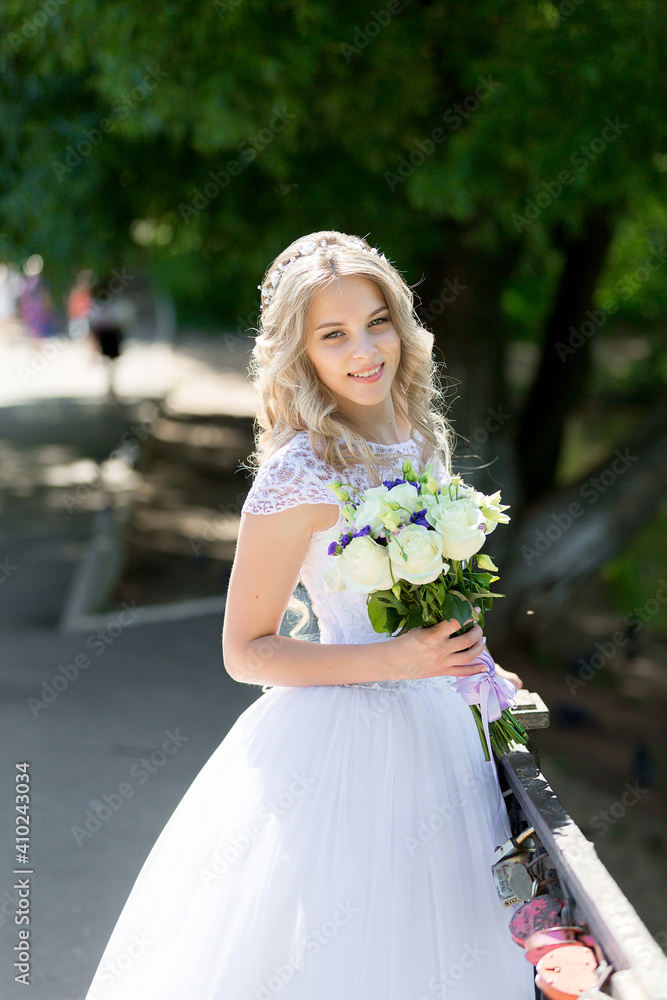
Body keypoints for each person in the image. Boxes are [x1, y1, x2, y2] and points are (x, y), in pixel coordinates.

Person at [82, 231, 535, 999]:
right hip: (337, 753)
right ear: (301, 353)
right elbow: (245, 652)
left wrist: (470, 659)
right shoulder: (297, 471)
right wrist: (397, 661)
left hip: (436, 732)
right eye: (334, 335)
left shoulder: (416, 436)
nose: (365, 350)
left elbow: (431, 594)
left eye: (376, 322)